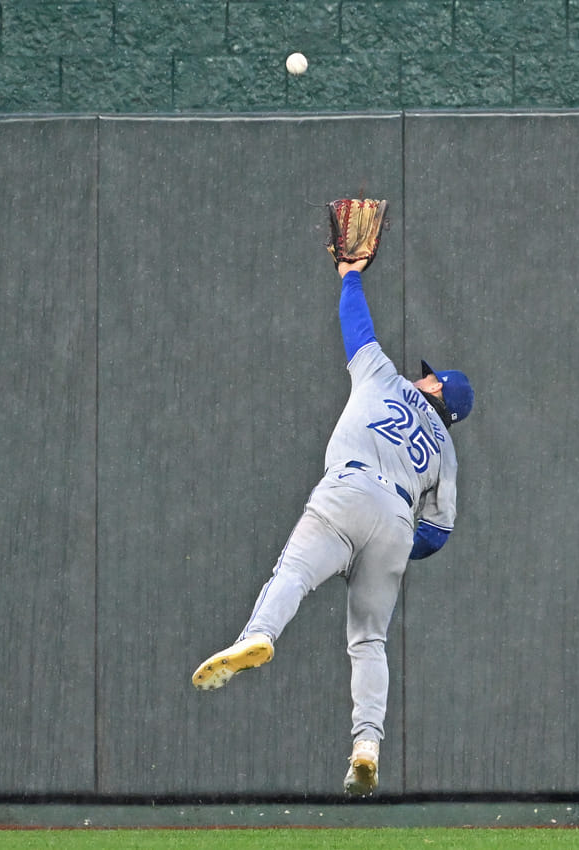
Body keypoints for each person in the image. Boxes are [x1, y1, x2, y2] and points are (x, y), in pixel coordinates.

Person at [190, 255, 473, 796]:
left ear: (437, 388)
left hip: (349, 490)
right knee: (369, 640)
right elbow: (438, 534)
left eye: (431, 375)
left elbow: (357, 326)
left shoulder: (385, 376)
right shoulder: (447, 455)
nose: (423, 374)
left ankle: (258, 637)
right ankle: (367, 745)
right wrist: (392, 547)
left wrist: (350, 273)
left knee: (293, 573)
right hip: (396, 520)